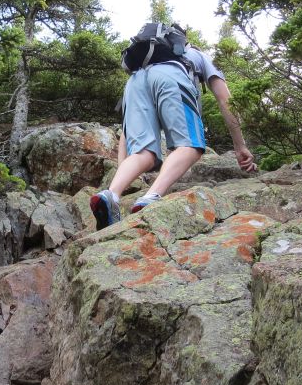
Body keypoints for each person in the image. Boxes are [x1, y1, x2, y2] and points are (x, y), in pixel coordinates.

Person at [90, 23, 257, 230]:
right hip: (171, 76)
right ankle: (151, 197)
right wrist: (240, 146)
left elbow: (126, 132)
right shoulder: (195, 53)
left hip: (133, 84)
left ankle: (111, 195)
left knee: (144, 153)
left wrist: (122, 164)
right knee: (189, 146)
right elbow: (225, 100)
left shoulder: (144, 62)